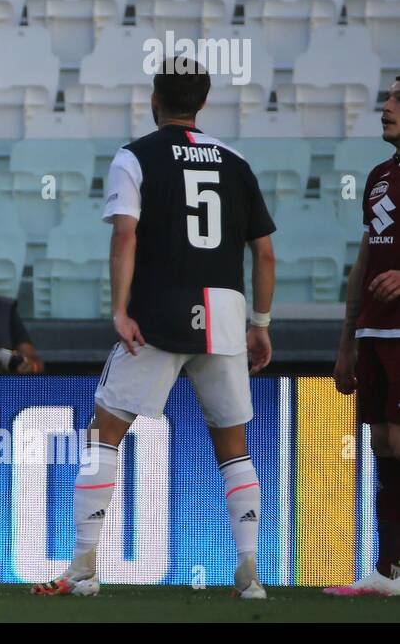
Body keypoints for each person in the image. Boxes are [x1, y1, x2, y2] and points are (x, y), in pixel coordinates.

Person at [33, 57, 276, 599]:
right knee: (233, 448)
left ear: (153, 99)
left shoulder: (135, 156)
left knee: (105, 433)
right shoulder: (235, 161)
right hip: (224, 313)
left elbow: (125, 234)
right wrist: (259, 323)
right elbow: (263, 253)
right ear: (203, 103)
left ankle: (83, 568)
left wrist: (120, 311)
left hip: (160, 312)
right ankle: (251, 573)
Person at [327, 78, 400, 597]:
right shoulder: (380, 176)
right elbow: (365, 260)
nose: (386, 107)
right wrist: (347, 338)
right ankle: (387, 570)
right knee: (383, 443)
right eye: (388, 98)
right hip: (374, 330)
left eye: (398, 99)